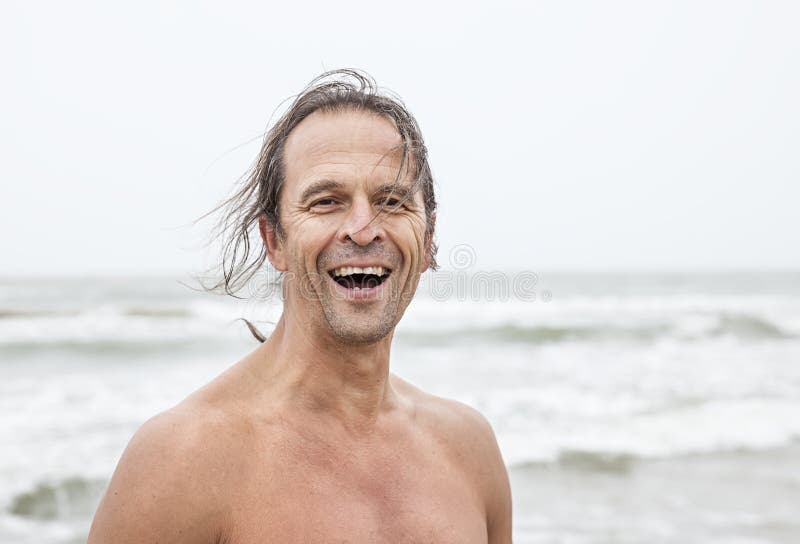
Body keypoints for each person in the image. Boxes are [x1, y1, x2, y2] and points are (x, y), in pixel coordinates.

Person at [88, 69, 512, 543]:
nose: (363, 227)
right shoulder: (182, 460)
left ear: (428, 238)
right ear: (275, 241)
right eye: (326, 201)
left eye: (391, 200)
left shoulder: (469, 451)